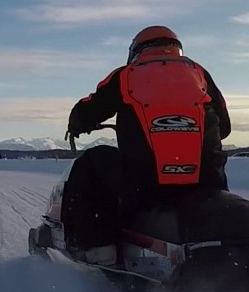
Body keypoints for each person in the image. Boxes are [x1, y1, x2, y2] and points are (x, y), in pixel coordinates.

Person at [64, 25, 231, 265]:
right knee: (215, 161)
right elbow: (225, 126)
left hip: (144, 184)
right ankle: (221, 218)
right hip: (205, 184)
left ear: (137, 50)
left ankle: (97, 245)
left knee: (88, 163)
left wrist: (77, 125)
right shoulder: (199, 73)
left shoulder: (126, 75)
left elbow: (87, 110)